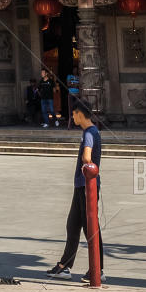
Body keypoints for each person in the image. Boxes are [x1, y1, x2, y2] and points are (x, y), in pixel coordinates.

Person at [47, 100, 102, 280]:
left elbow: (87, 156)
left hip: (86, 186)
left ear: (79, 114)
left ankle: (98, 270)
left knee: (90, 228)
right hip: (82, 185)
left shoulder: (89, 133)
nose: (72, 117)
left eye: (73, 114)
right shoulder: (91, 131)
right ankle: (65, 265)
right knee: (73, 225)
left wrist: (86, 165)